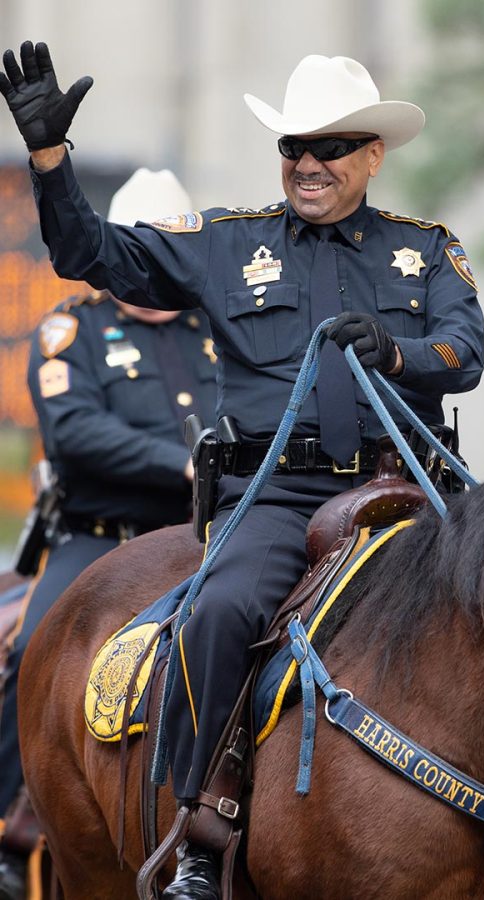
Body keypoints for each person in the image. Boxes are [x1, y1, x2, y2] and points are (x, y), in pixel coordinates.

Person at [0, 42, 484, 899]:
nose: (308, 163)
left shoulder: (426, 251)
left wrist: (401, 356)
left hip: (404, 488)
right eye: (293, 146)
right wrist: (49, 159)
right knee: (217, 613)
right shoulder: (229, 243)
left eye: (330, 147)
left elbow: (465, 349)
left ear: (373, 155)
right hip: (279, 494)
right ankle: (200, 830)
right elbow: (89, 254)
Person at [0, 166, 217, 900]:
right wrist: (184, 462)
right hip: (100, 539)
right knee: (31, 648)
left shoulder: (216, 331)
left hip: (206, 536)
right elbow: (76, 434)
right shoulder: (75, 329)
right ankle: (6, 833)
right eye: (138, 245)